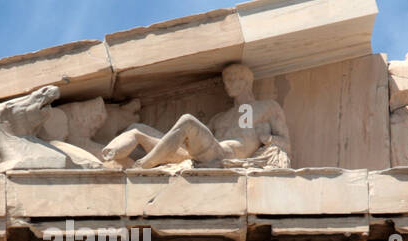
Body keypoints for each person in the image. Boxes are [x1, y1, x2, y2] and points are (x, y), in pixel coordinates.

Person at [101, 63, 291, 169]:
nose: (228, 85)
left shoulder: (266, 107)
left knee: (187, 121)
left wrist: (269, 138)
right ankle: (102, 160)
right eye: (226, 81)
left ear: (247, 81)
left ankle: (146, 164)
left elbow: (286, 144)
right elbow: (195, 140)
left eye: (233, 80)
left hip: (222, 156)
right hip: (198, 154)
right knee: (138, 130)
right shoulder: (220, 118)